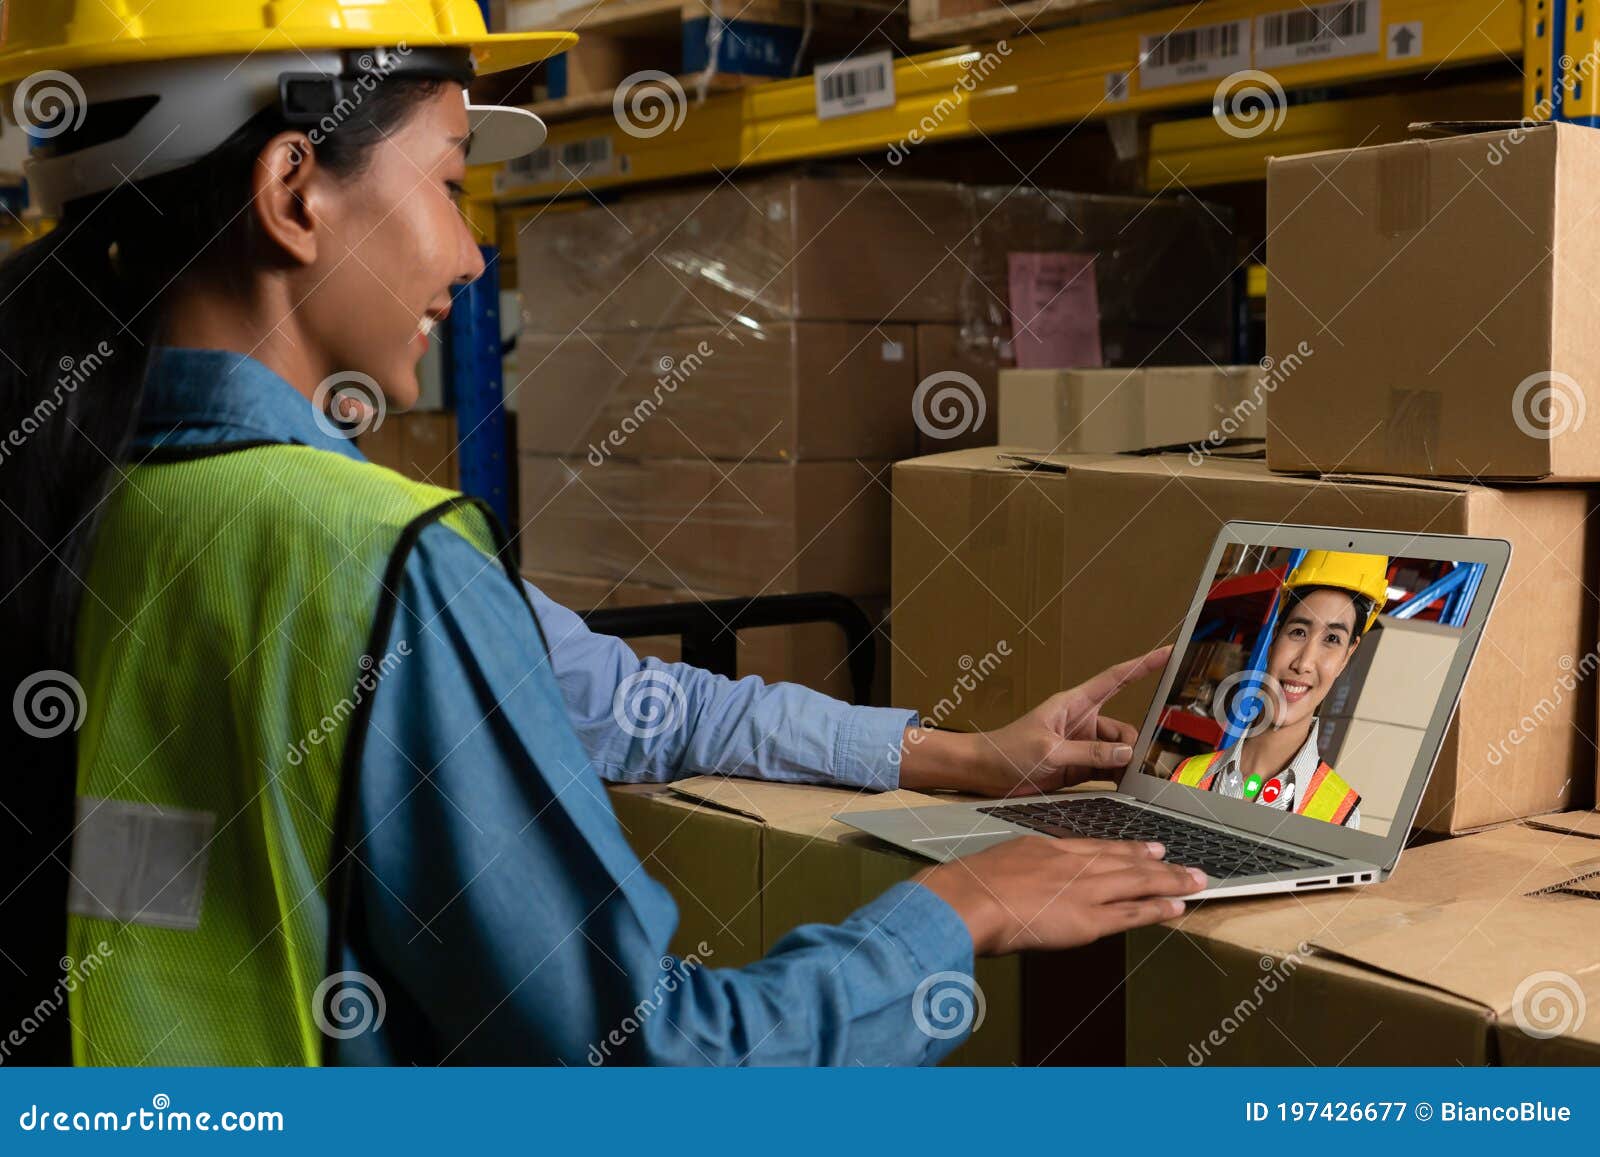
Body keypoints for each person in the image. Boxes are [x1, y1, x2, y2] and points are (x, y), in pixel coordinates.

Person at [0, 1, 1204, 1066]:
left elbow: (627, 700)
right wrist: (959, 910)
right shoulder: (379, 555)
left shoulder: (82, 494)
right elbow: (651, 1068)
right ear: (295, 193)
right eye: (452, 184)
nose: (471, 257)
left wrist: (965, 757)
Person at [1169, 551, 1390, 829]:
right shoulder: (1187, 776)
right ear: (1274, 638)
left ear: (1347, 656)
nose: (1304, 663)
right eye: (1298, 631)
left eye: (1332, 639)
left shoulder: (1340, 817)